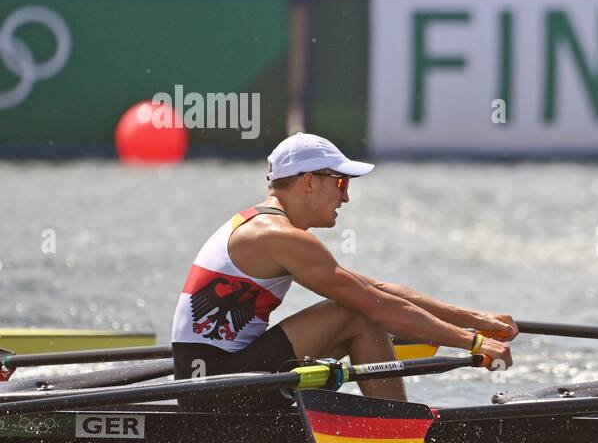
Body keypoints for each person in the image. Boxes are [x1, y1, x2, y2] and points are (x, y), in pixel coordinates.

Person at [171, 133, 515, 410]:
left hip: (218, 378)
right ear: (308, 182)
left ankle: (394, 422)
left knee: (363, 306)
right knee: (358, 314)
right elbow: (377, 306)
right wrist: (473, 342)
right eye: (340, 183)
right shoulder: (279, 237)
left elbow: (379, 289)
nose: (346, 197)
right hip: (215, 394)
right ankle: (399, 430)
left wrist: (476, 319)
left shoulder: (264, 225)